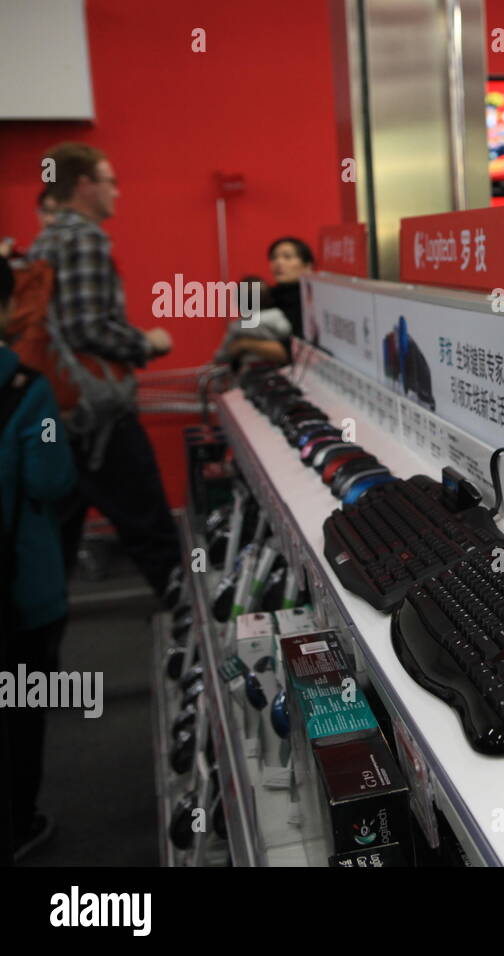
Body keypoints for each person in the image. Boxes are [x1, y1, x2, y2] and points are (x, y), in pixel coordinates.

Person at [26, 142, 181, 598]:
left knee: (57, 533)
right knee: (150, 526)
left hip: (61, 406)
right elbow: (86, 327)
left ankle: (32, 639)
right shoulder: (86, 237)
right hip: (100, 415)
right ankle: (189, 622)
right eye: (110, 180)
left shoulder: (47, 238)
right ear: (85, 185)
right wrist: (147, 343)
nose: (117, 190)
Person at [0, 257, 79, 861]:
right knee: (20, 708)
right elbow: (51, 480)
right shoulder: (27, 391)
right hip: (20, 585)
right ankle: (16, 824)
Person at [223, 237, 315, 366]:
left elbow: (293, 352)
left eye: (287, 257)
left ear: (307, 266)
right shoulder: (268, 295)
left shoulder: (310, 301)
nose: (278, 263)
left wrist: (245, 344)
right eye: (273, 258)